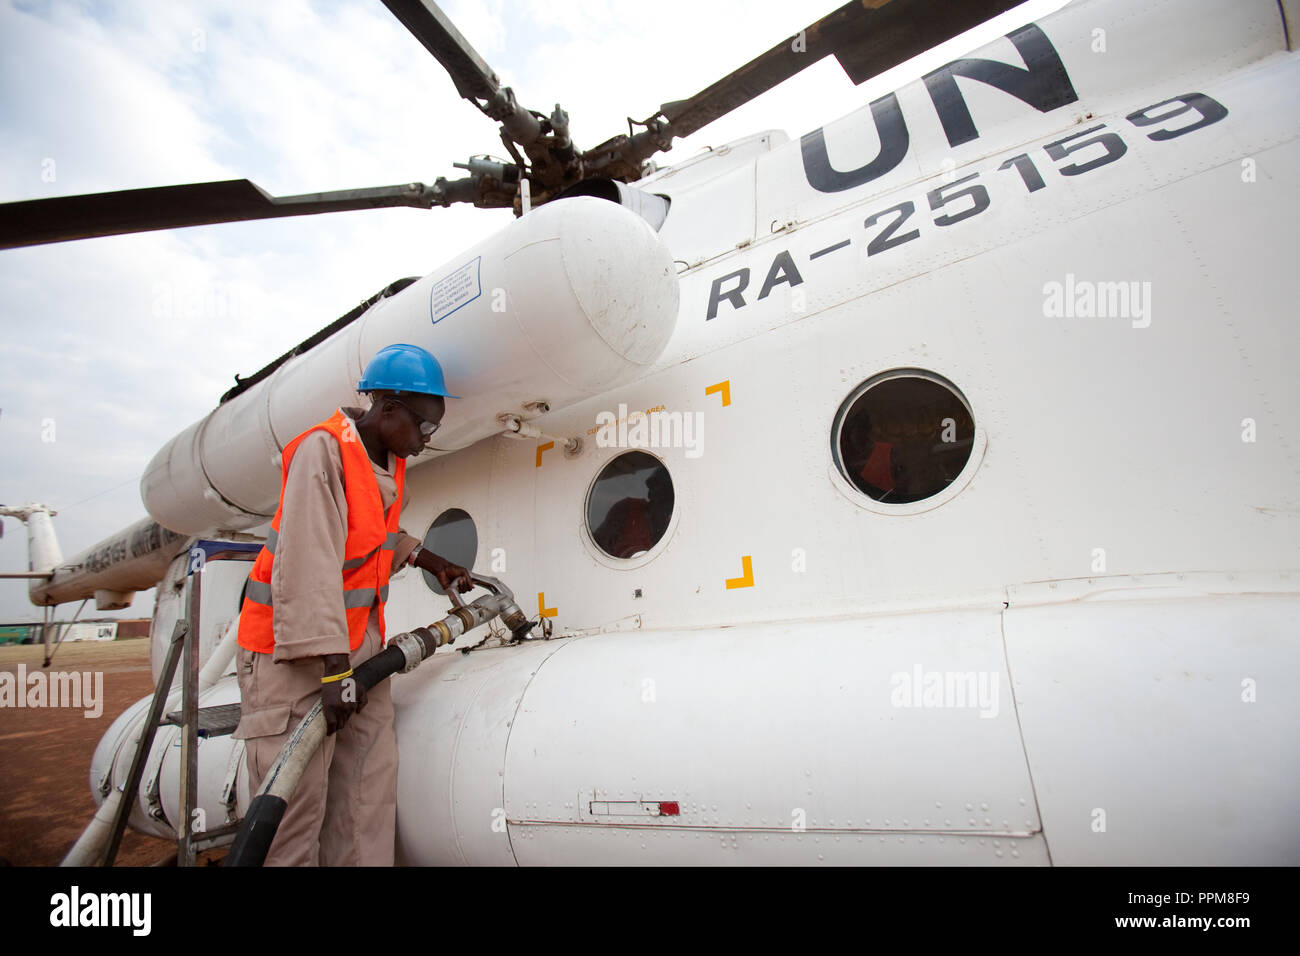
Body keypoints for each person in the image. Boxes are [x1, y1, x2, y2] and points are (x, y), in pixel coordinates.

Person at [233, 343, 472, 866]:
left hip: (357, 649)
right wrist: (333, 670)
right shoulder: (321, 451)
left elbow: (374, 534)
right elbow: (307, 565)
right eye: (424, 428)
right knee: (293, 810)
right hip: (291, 653)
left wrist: (428, 559)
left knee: (367, 790)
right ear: (387, 410)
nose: (427, 441)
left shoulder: (388, 457)